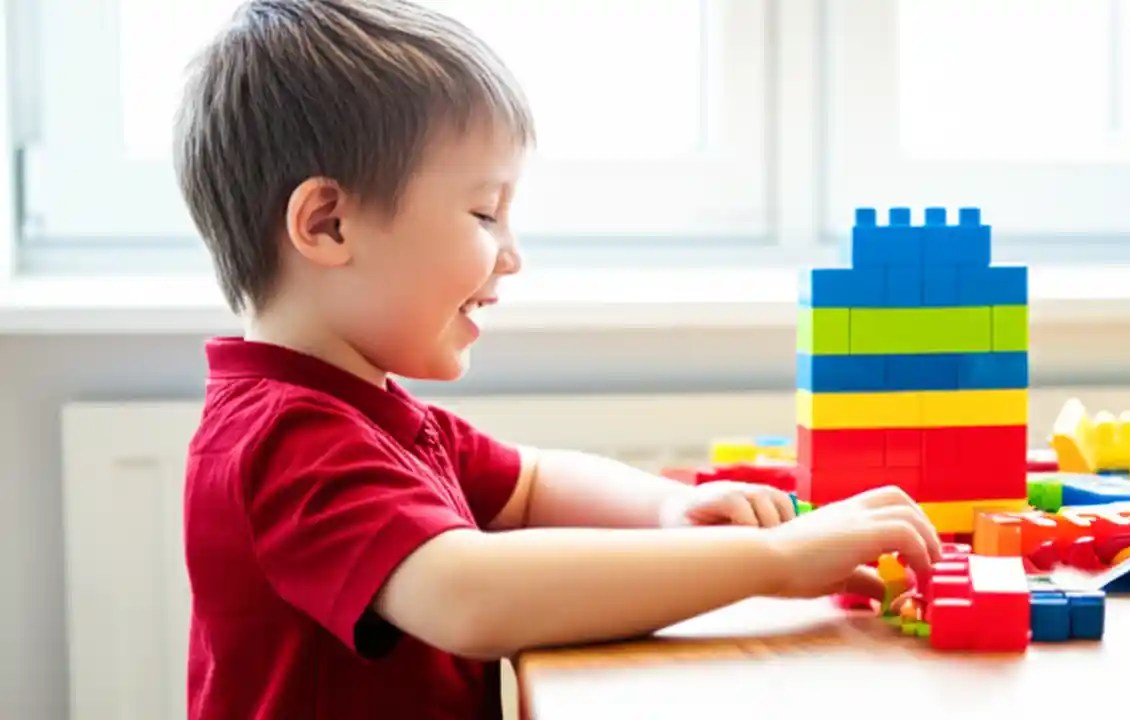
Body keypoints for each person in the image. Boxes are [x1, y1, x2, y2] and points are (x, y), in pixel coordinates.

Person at [174, 1, 943, 718]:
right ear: (329, 224)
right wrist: (773, 558)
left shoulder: (367, 415)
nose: (511, 256)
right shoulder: (287, 442)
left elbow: (533, 483)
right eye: (484, 212)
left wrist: (665, 510)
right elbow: (466, 595)